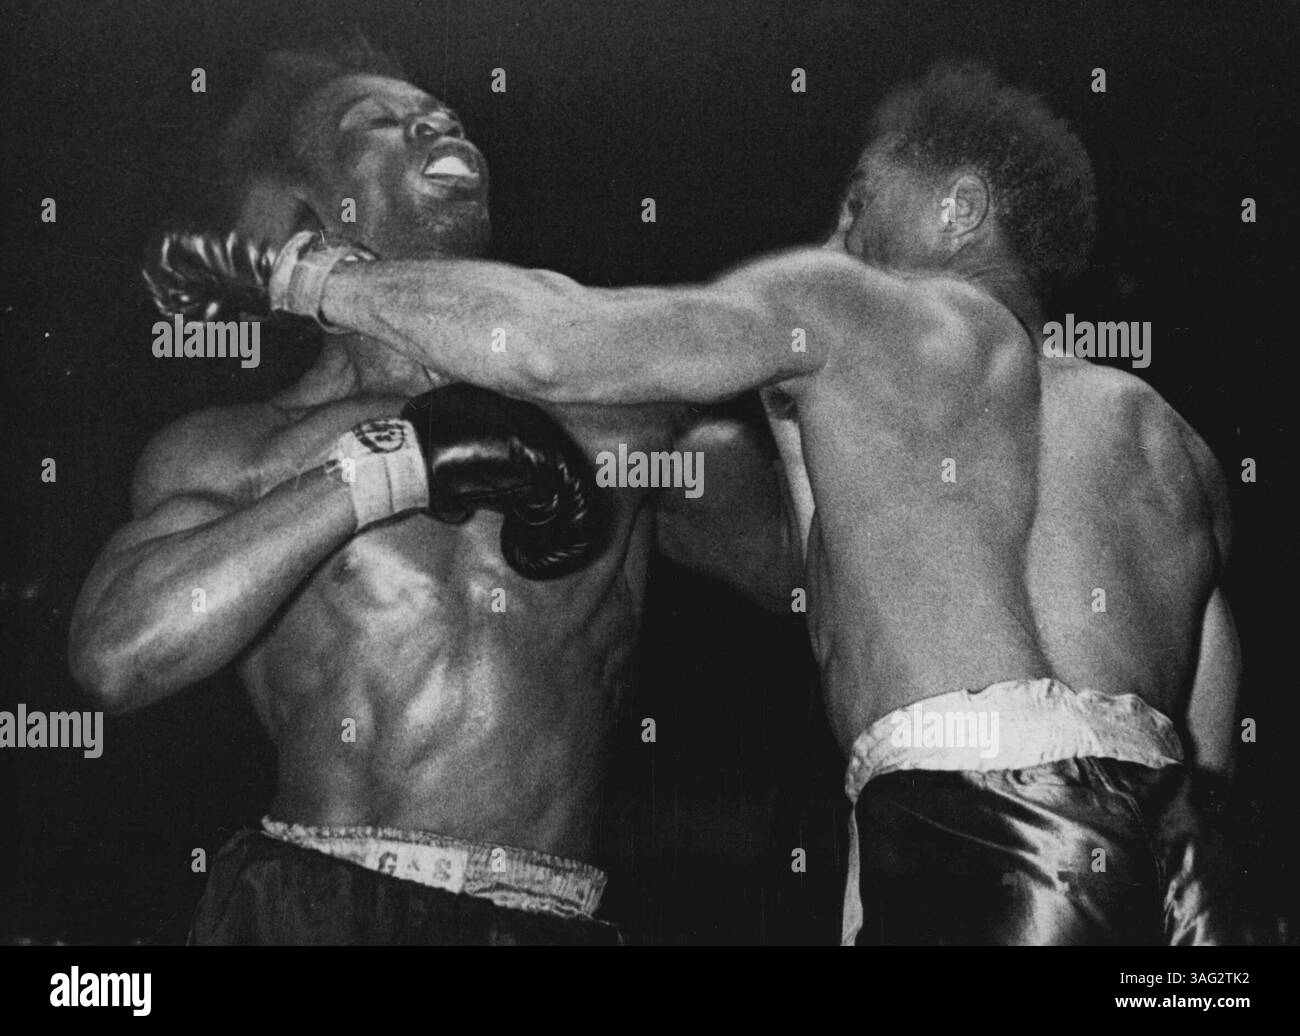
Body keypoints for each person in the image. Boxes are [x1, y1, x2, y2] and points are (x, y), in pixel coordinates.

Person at [160, 61, 1245, 944]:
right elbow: (1201, 743)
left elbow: (547, 345)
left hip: (975, 852)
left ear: (960, 209)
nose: (836, 234)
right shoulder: (1161, 438)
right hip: (1167, 873)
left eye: (861, 200)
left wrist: (304, 275)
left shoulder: (846, 312)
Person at [71, 42, 794, 946]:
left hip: (549, 919)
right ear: (308, 209)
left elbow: (801, 577)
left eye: (444, 115)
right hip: (315, 904)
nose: (436, 123)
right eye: (373, 123)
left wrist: (804, 385)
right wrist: (387, 468)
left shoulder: (629, 424)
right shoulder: (236, 452)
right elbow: (119, 656)